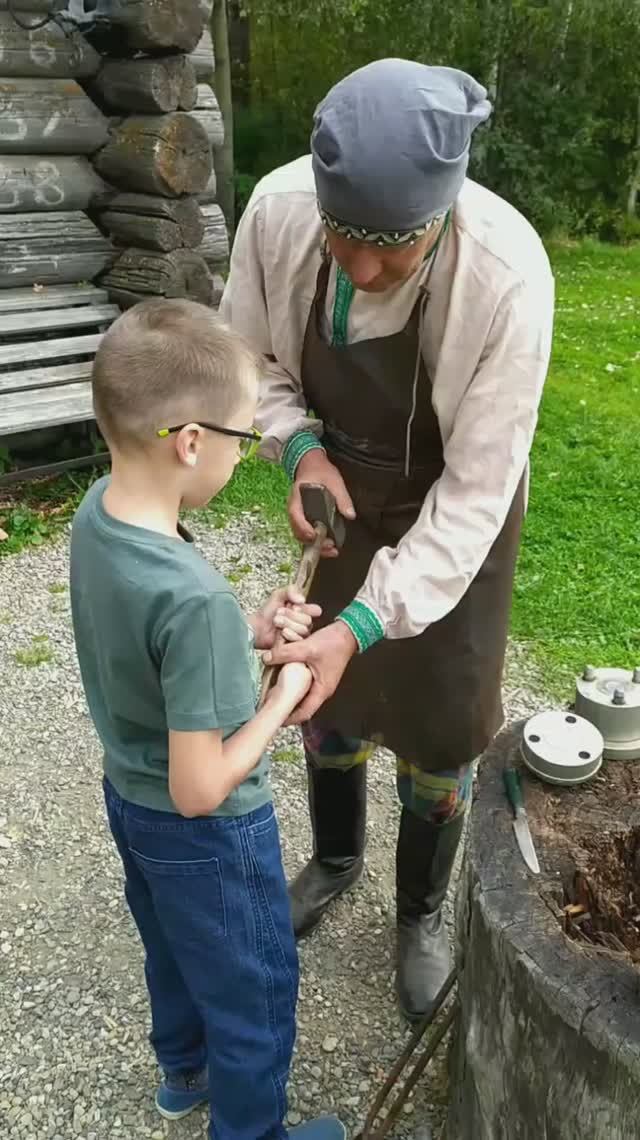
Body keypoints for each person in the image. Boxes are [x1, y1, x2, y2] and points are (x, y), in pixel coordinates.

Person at [220, 59, 555, 1022]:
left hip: (456, 520)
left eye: (393, 247)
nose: (362, 270)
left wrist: (365, 622)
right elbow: (251, 360)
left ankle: (419, 912)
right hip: (342, 494)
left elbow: (478, 488)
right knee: (320, 698)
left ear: (441, 213)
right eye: (345, 237)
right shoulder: (279, 212)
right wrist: (299, 449)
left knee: (442, 725)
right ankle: (334, 859)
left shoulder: (505, 274)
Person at [69, 299, 346, 1140]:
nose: (243, 450)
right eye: (242, 435)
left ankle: (182, 1073)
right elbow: (200, 788)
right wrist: (283, 696)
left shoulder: (97, 514)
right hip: (209, 836)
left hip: (130, 803)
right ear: (191, 442)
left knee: (174, 947)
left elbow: (152, 644)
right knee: (253, 990)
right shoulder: (193, 601)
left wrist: (247, 633)